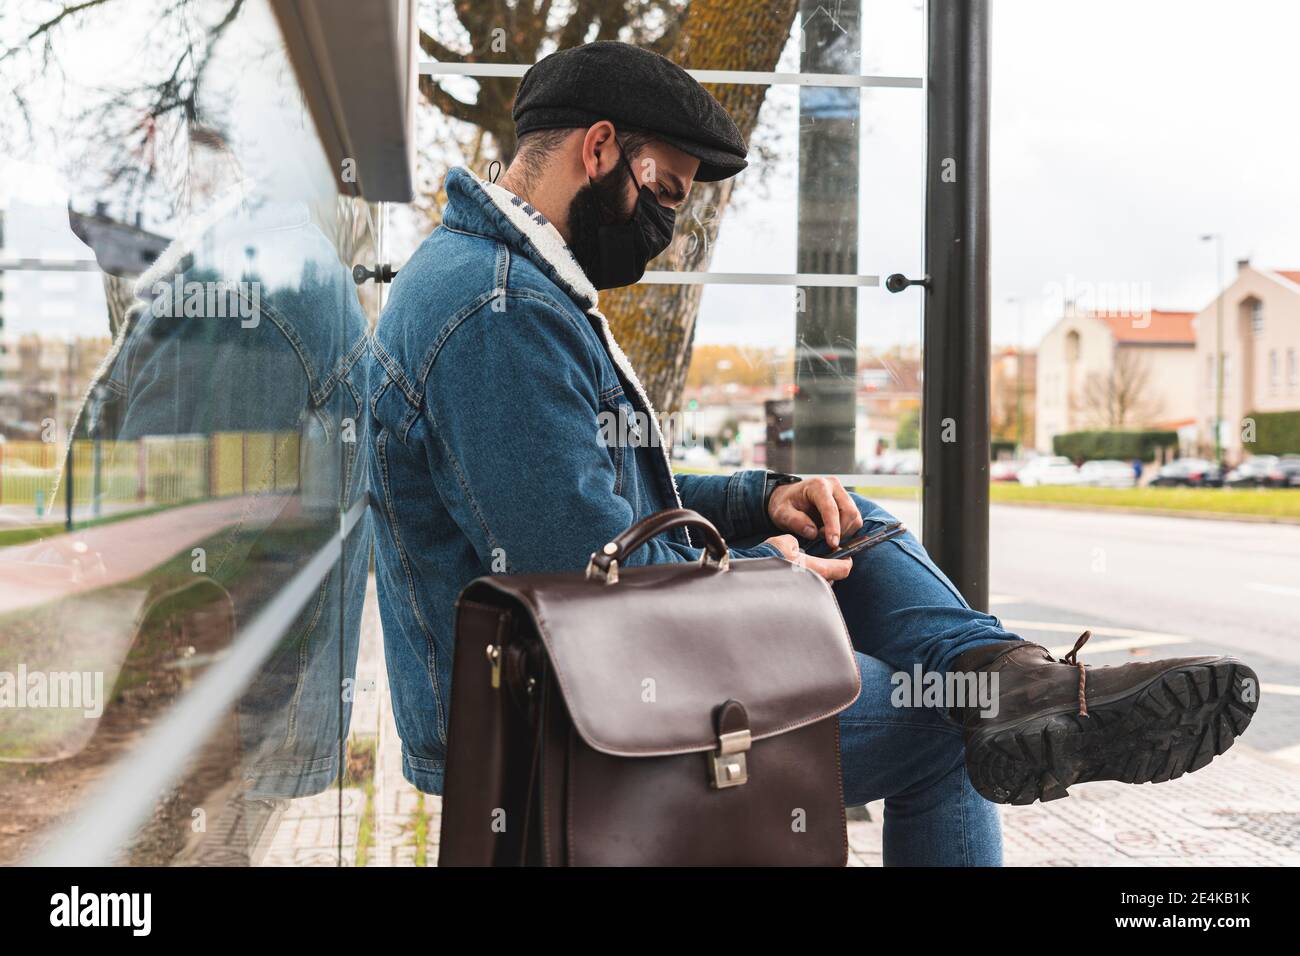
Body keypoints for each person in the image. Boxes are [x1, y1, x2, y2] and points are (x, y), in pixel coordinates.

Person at [367, 41, 1259, 865]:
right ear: (599, 150)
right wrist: (759, 577)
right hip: (573, 720)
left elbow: (609, 501)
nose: (666, 227)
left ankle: (1006, 676)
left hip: (607, 677)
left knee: (841, 516)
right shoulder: (499, 314)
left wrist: (765, 503)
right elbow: (581, 577)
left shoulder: (509, 283)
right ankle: (998, 691)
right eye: (668, 193)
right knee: (946, 735)